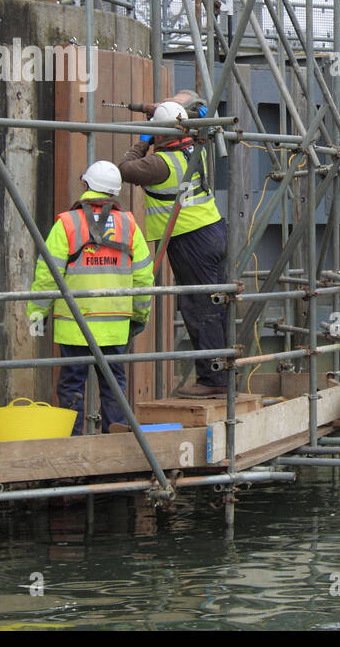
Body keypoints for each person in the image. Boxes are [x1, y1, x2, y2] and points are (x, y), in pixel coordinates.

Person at [26, 161, 153, 434]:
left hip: (75, 326)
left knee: (72, 388)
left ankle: (73, 451)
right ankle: (114, 452)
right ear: (115, 192)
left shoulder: (67, 224)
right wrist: (140, 316)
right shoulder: (128, 226)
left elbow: (47, 276)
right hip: (115, 327)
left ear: (85, 186)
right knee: (114, 388)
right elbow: (143, 278)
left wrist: (36, 316)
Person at [119, 99, 230, 398]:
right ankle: (223, 373)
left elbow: (123, 169)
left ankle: (213, 380)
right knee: (217, 304)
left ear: (159, 134)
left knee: (199, 307)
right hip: (213, 229)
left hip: (189, 237)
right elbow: (188, 110)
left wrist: (143, 140)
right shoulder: (195, 144)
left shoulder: (159, 163)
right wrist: (158, 111)